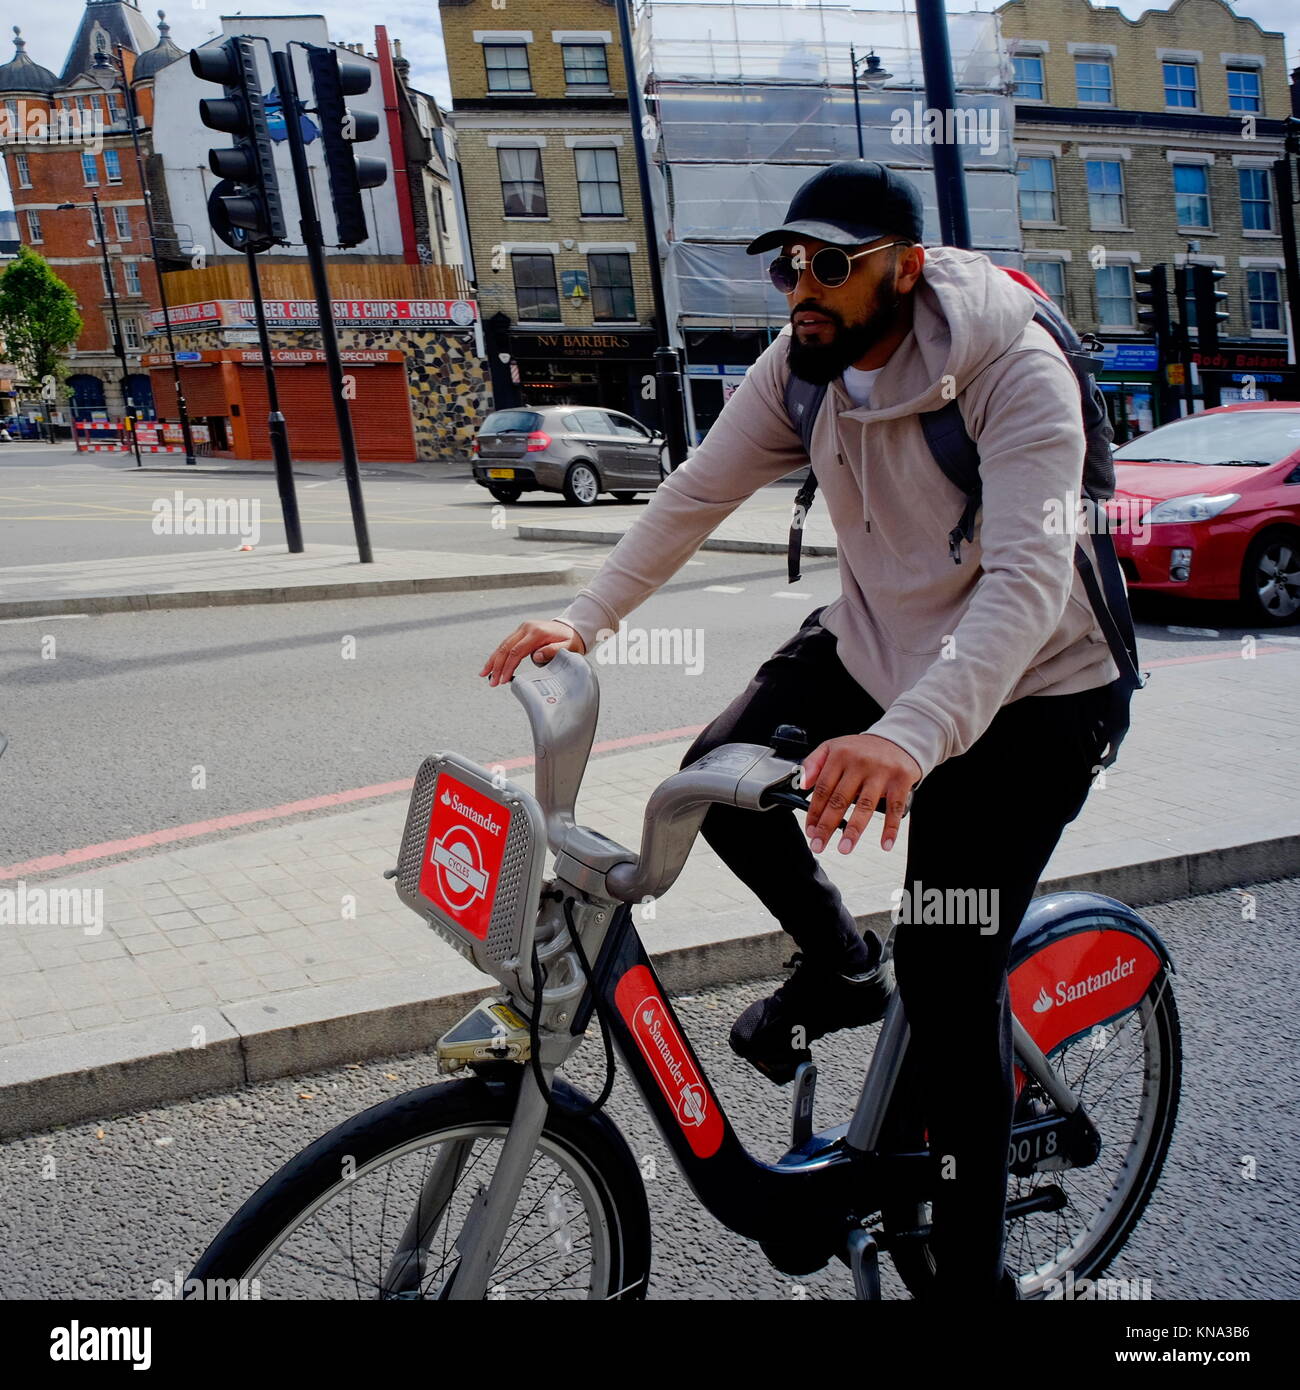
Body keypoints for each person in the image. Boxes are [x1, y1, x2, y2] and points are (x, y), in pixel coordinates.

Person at [480, 161, 1120, 1301]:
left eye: (832, 265)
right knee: (711, 790)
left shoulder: (1014, 371)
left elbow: (1025, 586)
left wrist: (911, 739)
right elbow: (692, 492)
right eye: (789, 267)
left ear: (904, 270)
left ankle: (968, 1277)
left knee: (948, 962)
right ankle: (839, 967)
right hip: (880, 640)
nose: (801, 289)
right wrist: (583, 618)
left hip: (1034, 690)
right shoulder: (804, 367)